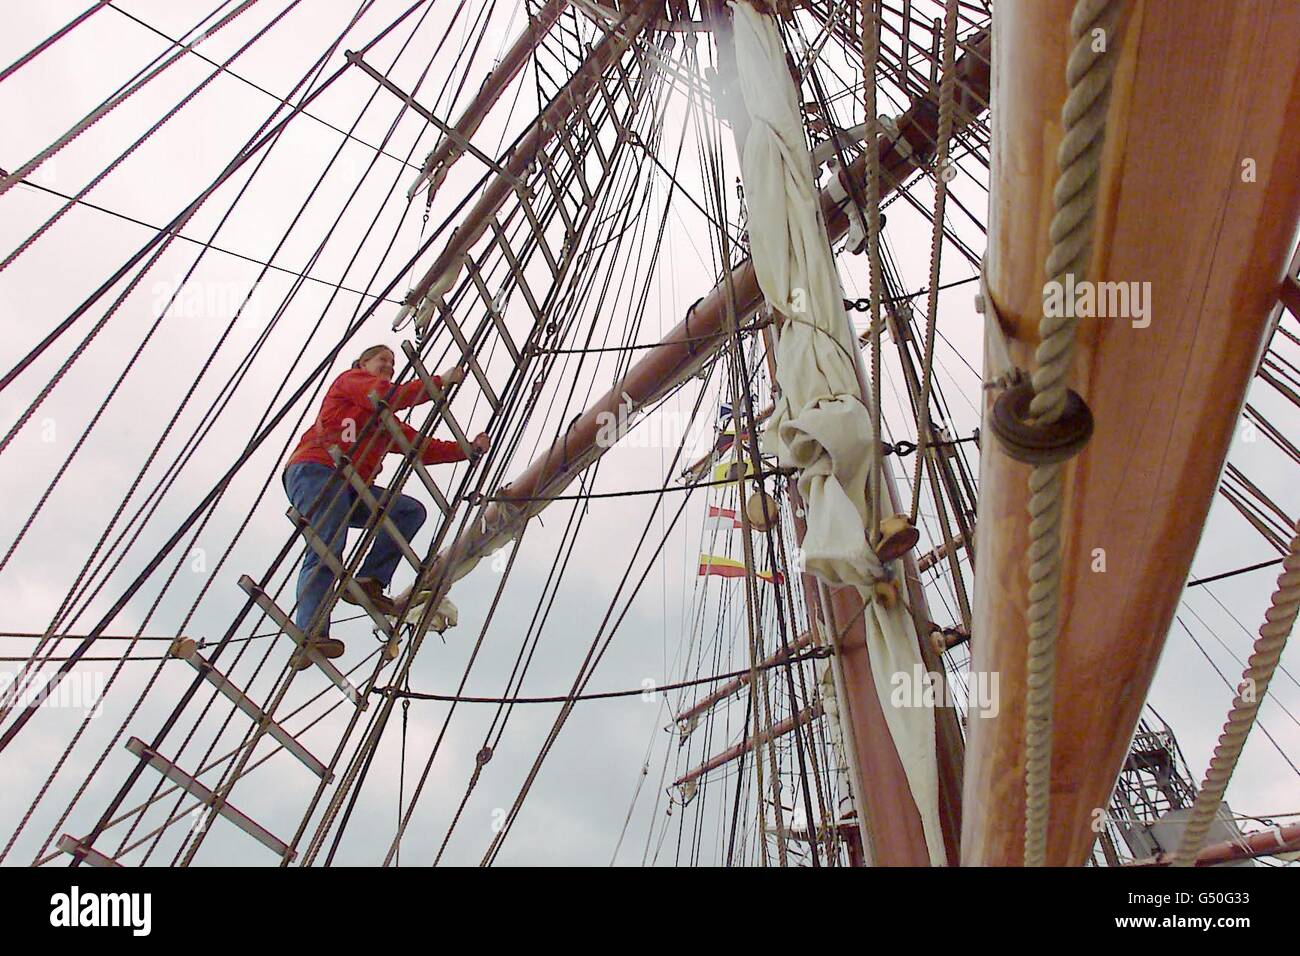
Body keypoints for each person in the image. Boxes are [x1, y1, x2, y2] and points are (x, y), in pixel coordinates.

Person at [282, 344, 490, 663]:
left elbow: (421, 446)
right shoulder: (351, 382)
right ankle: (311, 632)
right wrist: (439, 381)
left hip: (351, 486)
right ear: (362, 363)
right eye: (383, 361)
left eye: (392, 364)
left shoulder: (382, 422)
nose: (389, 367)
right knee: (328, 543)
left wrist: (466, 450)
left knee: (408, 511)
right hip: (317, 470)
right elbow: (388, 394)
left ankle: (369, 580)